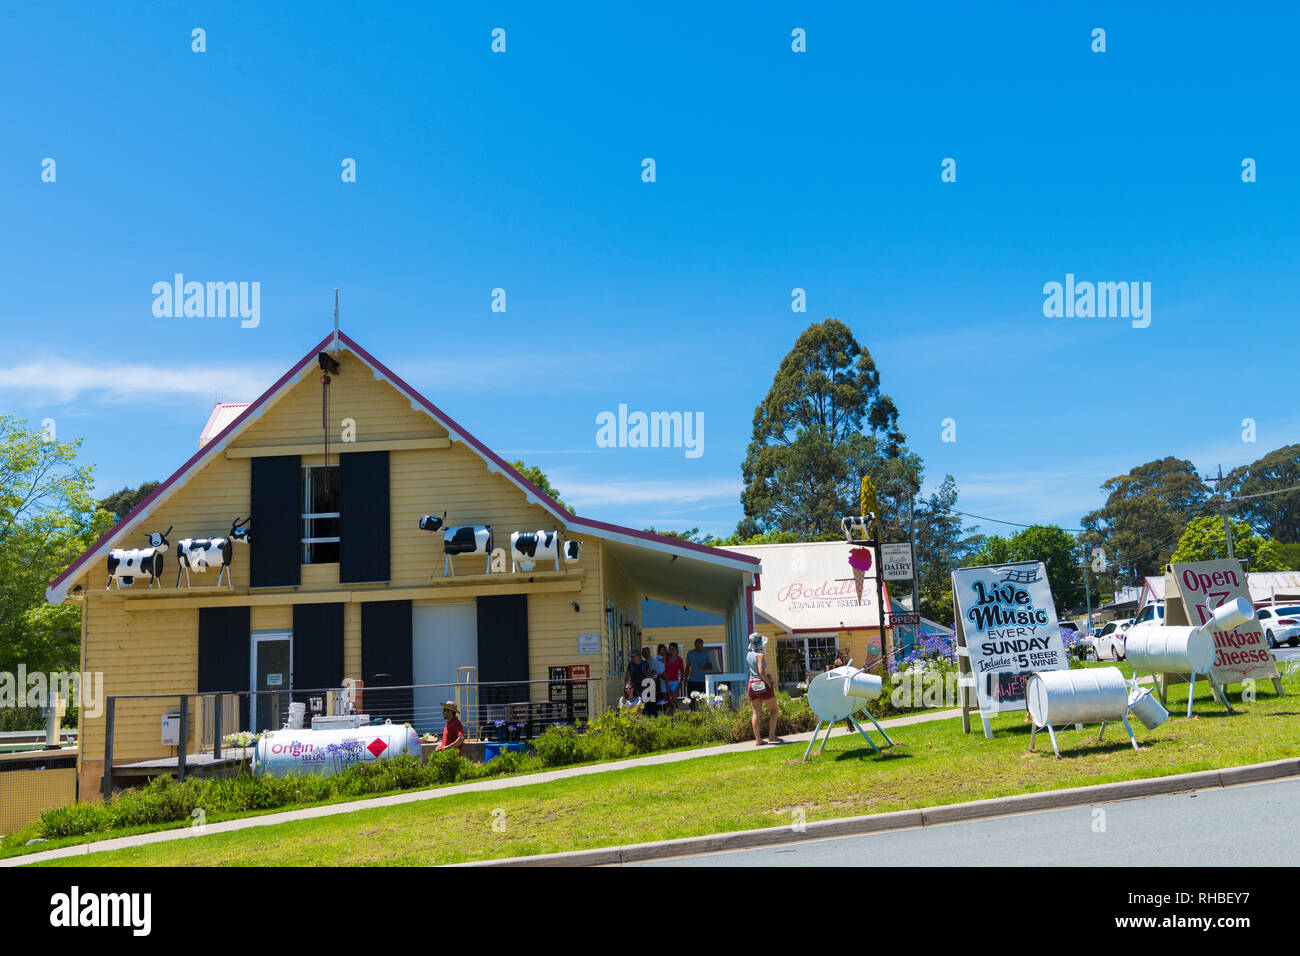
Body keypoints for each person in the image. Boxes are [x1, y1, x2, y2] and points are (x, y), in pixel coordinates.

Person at [746, 632, 782, 745]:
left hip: (751, 684)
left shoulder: (748, 655)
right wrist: (769, 683)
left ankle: (758, 739)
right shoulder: (759, 655)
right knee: (774, 710)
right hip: (761, 684)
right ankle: (771, 736)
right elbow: (761, 672)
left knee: (756, 713)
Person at [685, 638, 713, 707]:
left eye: (700, 646)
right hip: (692, 680)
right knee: (691, 700)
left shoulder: (706, 653)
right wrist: (685, 678)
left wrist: (704, 666)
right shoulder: (690, 653)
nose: (699, 648)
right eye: (697, 646)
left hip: (702, 681)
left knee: (702, 700)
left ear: (702, 645)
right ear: (695, 645)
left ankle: (703, 716)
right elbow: (688, 666)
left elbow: (711, 666)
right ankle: (692, 715)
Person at [663, 642, 685, 713]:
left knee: (674, 699)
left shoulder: (679, 660)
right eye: (670, 649)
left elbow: (682, 672)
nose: (672, 650)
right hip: (665, 681)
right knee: (667, 700)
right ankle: (668, 714)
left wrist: (680, 683)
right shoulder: (666, 658)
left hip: (675, 682)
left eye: (673, 649)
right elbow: (663, 670)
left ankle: (677, 713)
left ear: (676, 650)